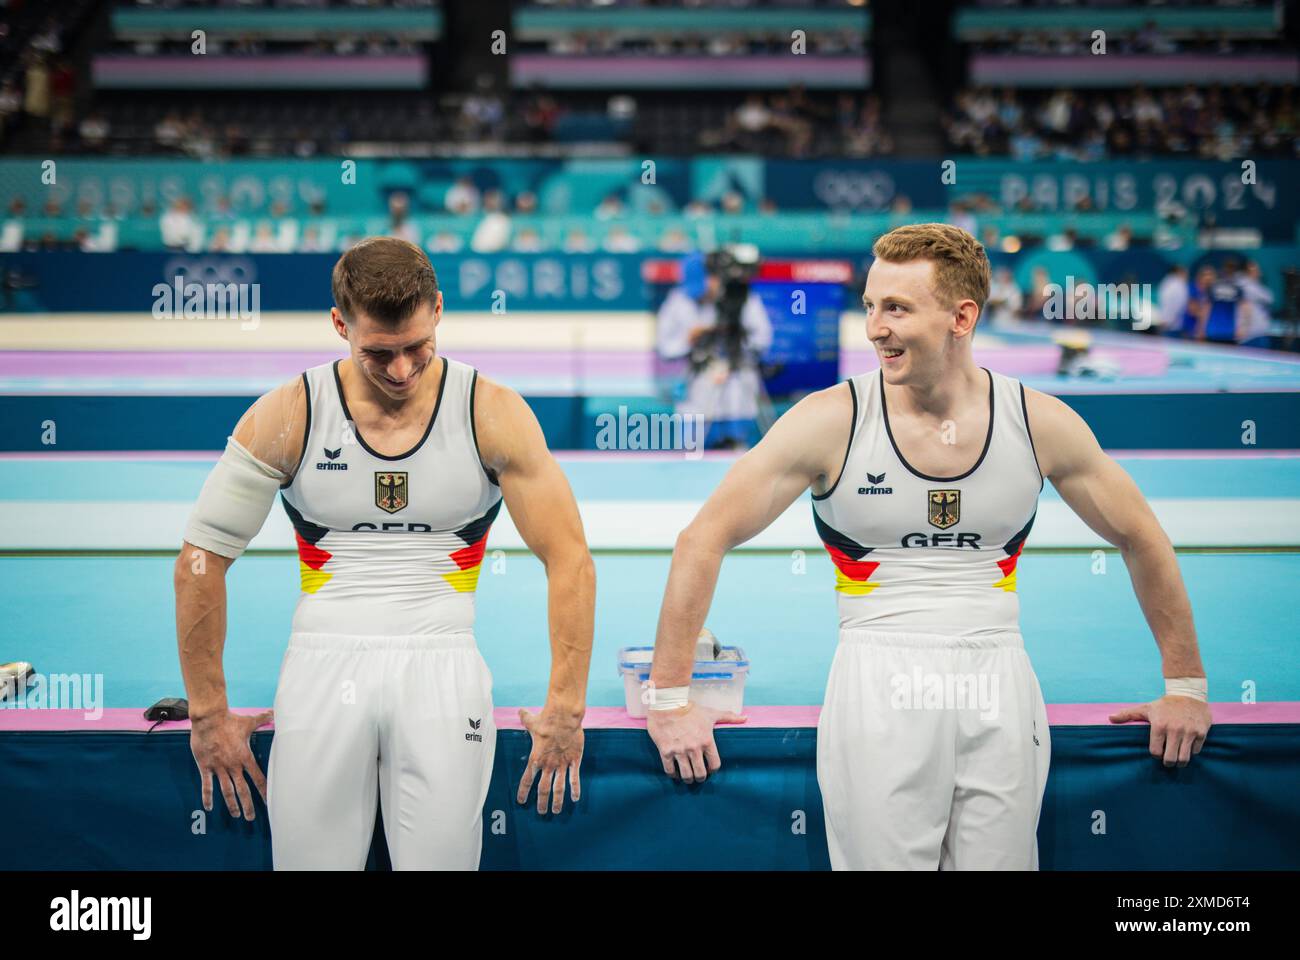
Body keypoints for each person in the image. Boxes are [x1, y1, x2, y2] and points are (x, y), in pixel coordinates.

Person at [643, 223, 1211, 870]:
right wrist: (669, 697)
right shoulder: (832, 421)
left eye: (897, 308)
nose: (875, 328)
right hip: (877, 676)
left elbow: (1141, 536)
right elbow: (702, 539)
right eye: (870, 306)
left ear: (961, 317)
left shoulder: (1038, 422)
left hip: (1000, 677)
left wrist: (1186, 686)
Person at [174, 237, 594, 869]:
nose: (401, 370)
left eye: (417, 348)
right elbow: (199, 561)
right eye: (378, 352)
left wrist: (566, 707)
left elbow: (570, 561)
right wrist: (207, 712)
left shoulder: (492, 414)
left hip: (444, 663)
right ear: (340, 324)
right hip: (321, 666)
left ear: (439, 310)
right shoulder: (289, 415)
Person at [655, 250, 772, 449]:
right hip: (697, 395)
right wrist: (690, 339)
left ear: (717, 277)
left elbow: (762, 339)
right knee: (692, 453)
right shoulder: (678, 300)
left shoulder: (743, 300)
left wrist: (733, 334)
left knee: (743, 453)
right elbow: (665, 346)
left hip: (737, 392)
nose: (702, 294)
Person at [1235, 259, 1274, 349]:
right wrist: (1244, 327)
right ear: (1245, 272)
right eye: (1253, 270)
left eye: (1257, 269)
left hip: (1260, 332)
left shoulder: (1257, 287)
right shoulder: (1243, 285)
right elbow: (1244, 306)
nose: (1258, 272)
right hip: (1249, 335)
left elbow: (1269, 299)